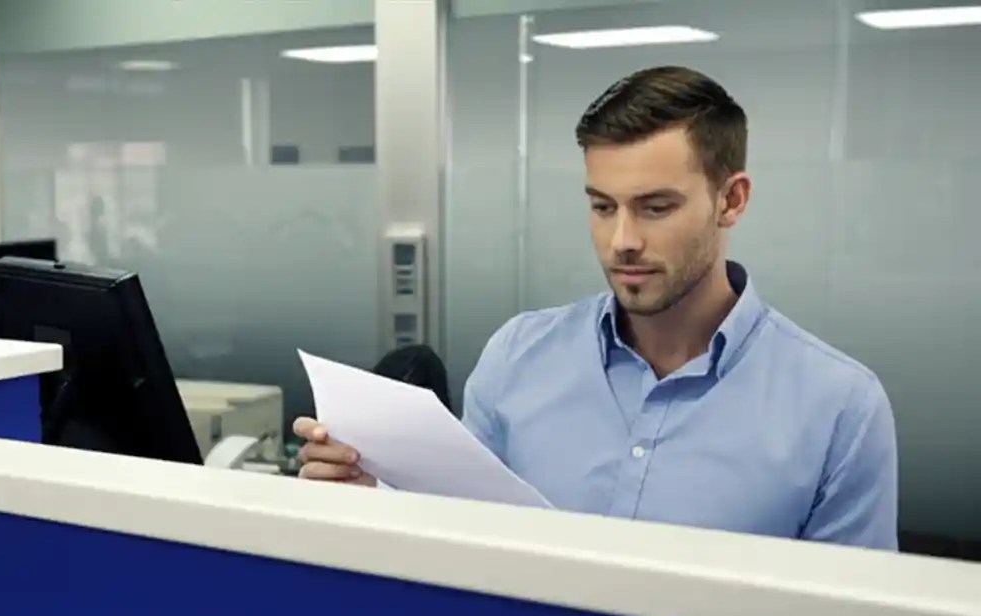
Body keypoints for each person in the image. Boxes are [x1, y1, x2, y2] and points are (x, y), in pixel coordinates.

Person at [294, 66, 898, 550]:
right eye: (603, 206)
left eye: (655, 207)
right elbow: (460, 544)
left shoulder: (839, 408)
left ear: (731, 200)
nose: (622, 240)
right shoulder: (517, 358)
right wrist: (369, 495)